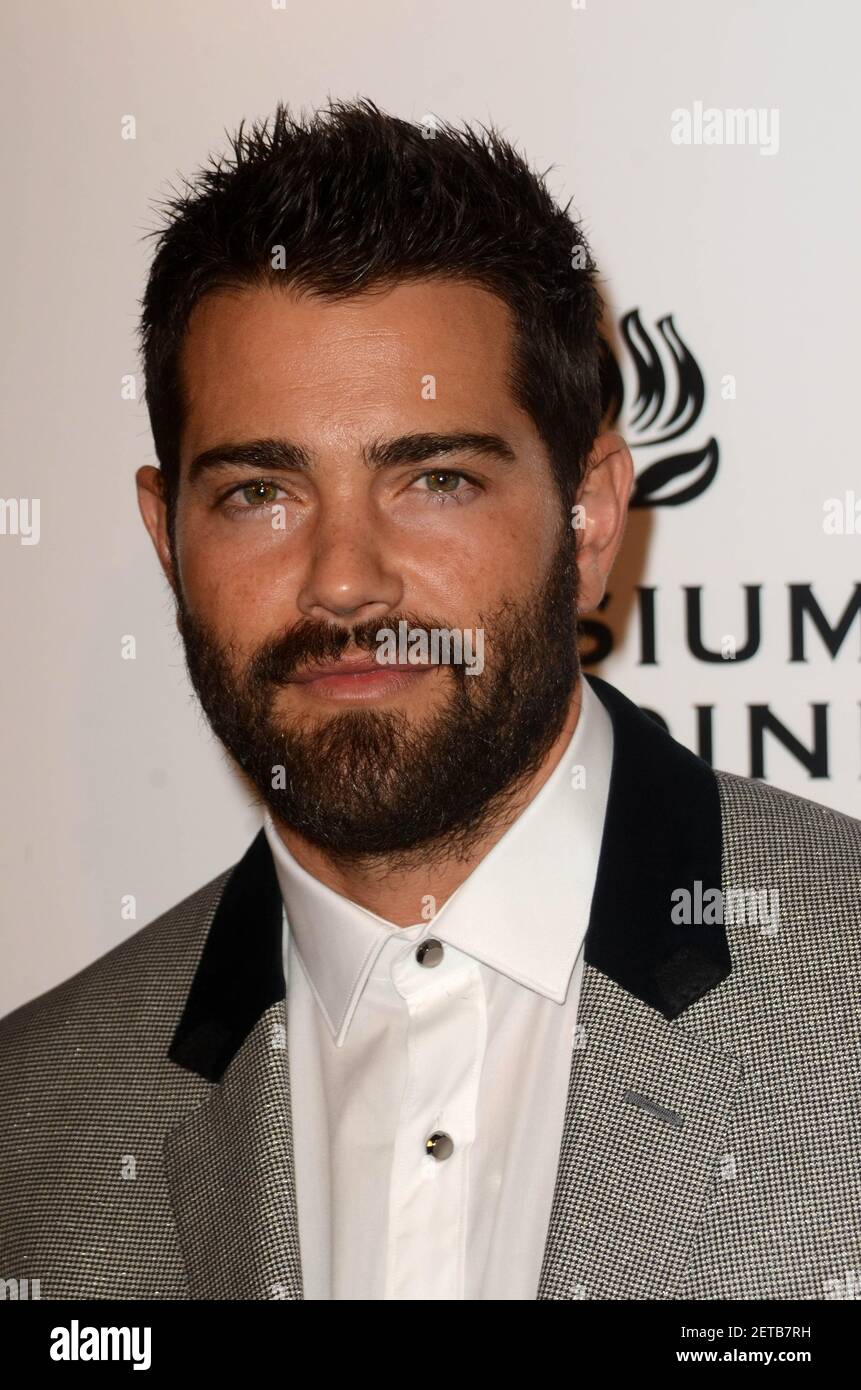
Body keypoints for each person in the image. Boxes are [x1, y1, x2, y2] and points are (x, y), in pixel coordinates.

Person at [1, 98, 858, 1302]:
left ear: (592, 513)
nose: (344, 577)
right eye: (260, 491)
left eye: (436, 477)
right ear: (166, 532)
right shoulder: (30, 1122)